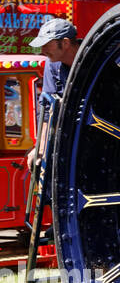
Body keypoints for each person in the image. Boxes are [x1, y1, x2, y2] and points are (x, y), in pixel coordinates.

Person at [27, 17, 80, 172]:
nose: (42, 50)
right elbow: (47, 109)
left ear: (65, 43)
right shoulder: (52, 63)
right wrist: (41, 148)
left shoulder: (93, 56)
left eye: (46, 44)